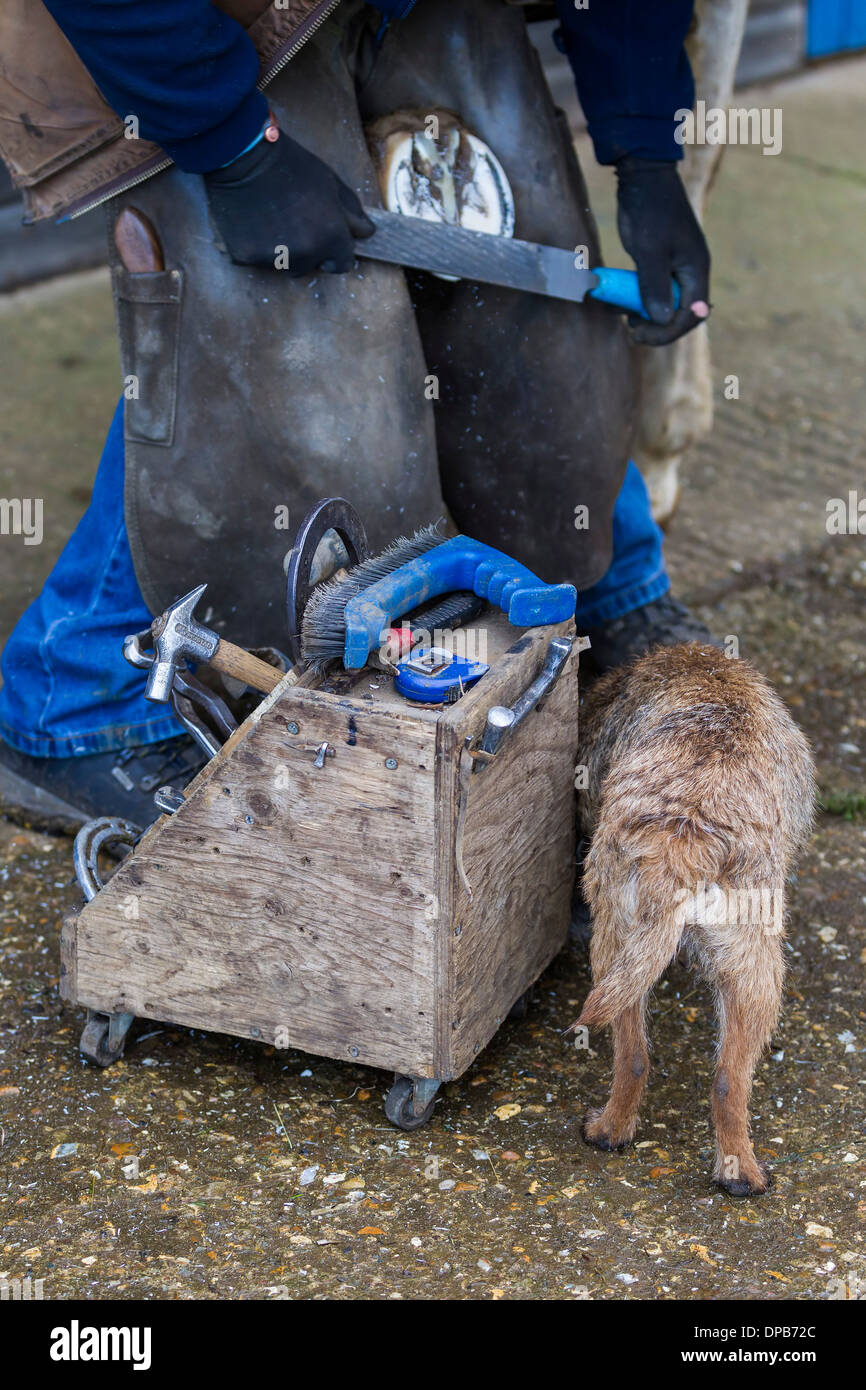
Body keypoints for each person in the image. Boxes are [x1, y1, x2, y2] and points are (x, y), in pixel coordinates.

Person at [0, 0, 713, 830]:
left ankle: (599, 577)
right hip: (213, 24)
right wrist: (232, 143)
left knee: (530, 316)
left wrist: (648, 157)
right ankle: (73, 703)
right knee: (270, 350)